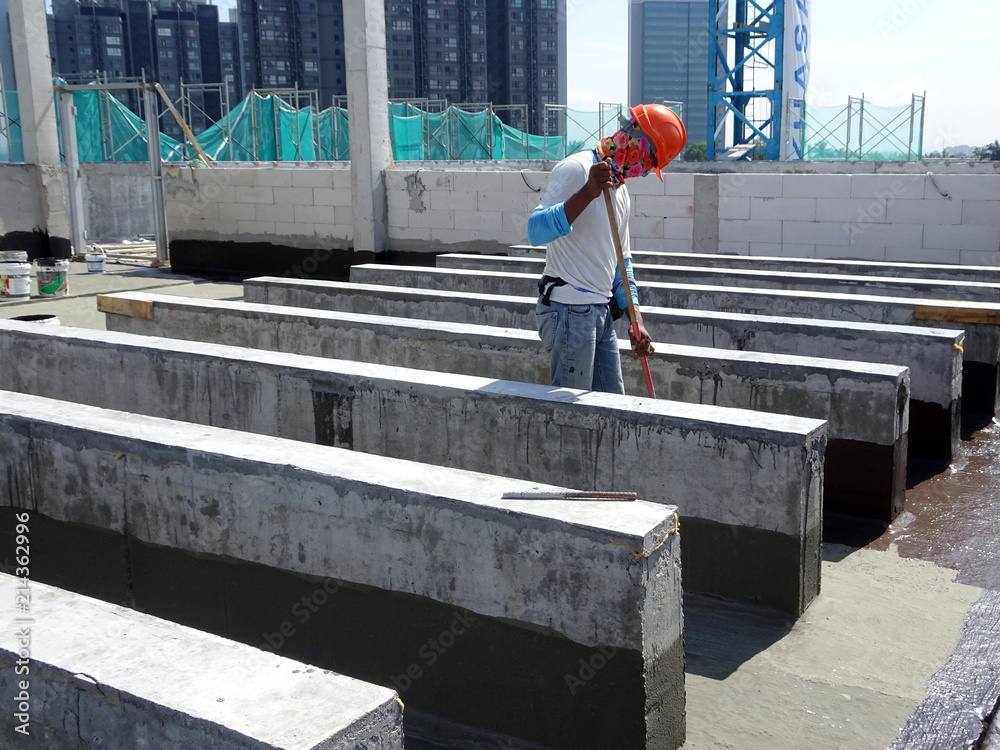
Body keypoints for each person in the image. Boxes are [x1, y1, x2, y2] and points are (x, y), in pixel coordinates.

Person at [526, 104, 687, 394]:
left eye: (650, 169)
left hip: (600, 312)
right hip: (567, 309)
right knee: (572, 417)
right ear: (636, 138)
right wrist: (588, 192)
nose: (644, 171)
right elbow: (535, 232)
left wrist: (635, 319)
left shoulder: (621, 191)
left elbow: (621, 264)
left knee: (611, 408)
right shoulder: (576, 169)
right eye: (649, 162)